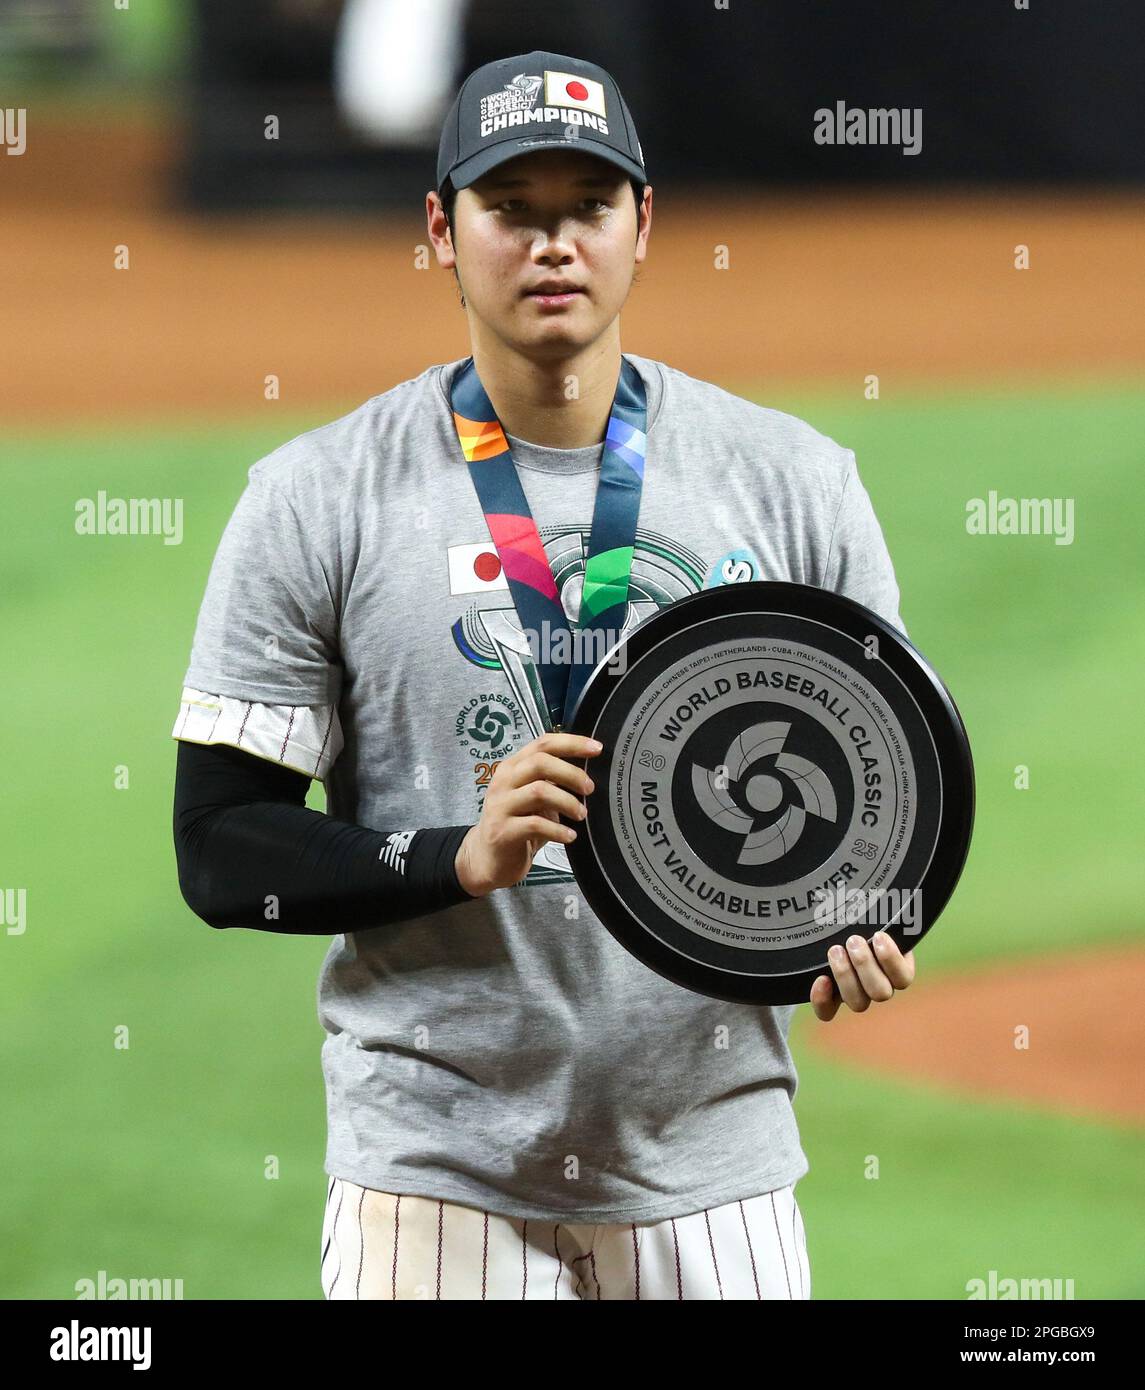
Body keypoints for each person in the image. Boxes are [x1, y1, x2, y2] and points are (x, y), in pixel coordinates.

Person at [171, 50, 915, 1301]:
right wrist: (450, 854)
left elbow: (884, 806)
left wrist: (855, 925)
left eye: (587, 205)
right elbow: (219, 848)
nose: (552, 242)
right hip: (430, 1174)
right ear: (439, 232)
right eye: (511, 208)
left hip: (713, 1167)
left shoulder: (794, 483)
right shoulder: (314, 499)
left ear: (643, 226)